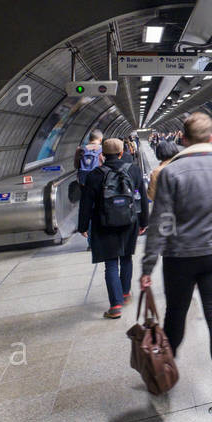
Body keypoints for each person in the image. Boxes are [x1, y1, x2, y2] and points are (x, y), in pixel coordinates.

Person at [141, 112, 212, 414]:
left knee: (175, 315)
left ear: (183, 139)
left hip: (179, 257)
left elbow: (160, 221)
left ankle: (164, 375)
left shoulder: (171, 173)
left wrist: (147, 267)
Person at [78, 137, 148, 319]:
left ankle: (115, 306)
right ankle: (125, 293)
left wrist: (83, 226)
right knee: (126, 258)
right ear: (121, 153)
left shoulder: (95, 175)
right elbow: (142, 197)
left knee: (110, 264)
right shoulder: (133, 170)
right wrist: (144, 222)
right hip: (129, 221)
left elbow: (86, 203)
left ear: (102, 155)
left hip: (104, 224)